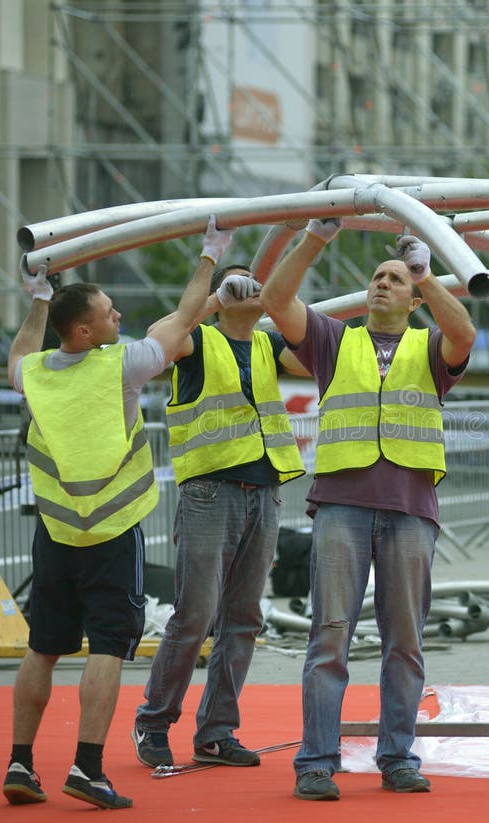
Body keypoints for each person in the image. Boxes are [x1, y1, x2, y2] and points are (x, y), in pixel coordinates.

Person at [2, 216, 233, 810]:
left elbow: (25, 349)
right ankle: (86, 767)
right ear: (84, 332)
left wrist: (39, 298)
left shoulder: (35, 376)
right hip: (110, 533)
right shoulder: (119, 367)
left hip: (55, 534)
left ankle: (20, 764)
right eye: (109, 313)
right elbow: (180, 322)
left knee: (43, 647)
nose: (119, 318)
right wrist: (210, 254)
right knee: (107, 647)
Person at [260, 218, 476, 801]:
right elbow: (276, 299)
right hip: (341, 507)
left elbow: (464, 334)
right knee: (329, 637)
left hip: (409, 509)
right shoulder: (335, 340)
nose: (383, 283)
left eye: (396, 278)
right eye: (378, 276)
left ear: (412, 296)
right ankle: (316, 762)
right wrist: (314, 238)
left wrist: (430, 278)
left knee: (403, 641)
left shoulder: (428, 344)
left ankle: (398, 756)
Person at [131, 262, 309, 769]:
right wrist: (212, 300)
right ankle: (153, 720)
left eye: (255, 282)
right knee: (194, 615)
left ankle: (216, 732)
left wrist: (282, 299)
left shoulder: (268, 345)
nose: (249, 287)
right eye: (241, 282)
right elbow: (158, 339)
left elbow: (322, 355)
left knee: (244, 619)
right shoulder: (199, 341)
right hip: (210, 492)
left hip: (264, 491)